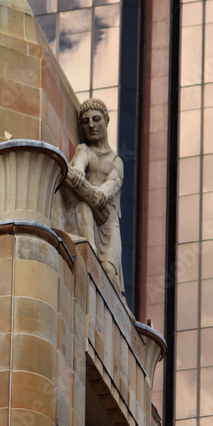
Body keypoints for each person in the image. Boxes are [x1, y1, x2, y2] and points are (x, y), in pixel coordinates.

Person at [64, 97, 124, 291]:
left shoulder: (116, 160)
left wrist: (100, 193)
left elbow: (113, 183)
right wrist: (78, 171)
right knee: (93, 264)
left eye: (96, 119)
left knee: (109, 270)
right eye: (85, 121)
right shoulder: (84, 150)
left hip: (109, 222)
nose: (91, 125)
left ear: (106, 121)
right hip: (89, 214)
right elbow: (79, 162)